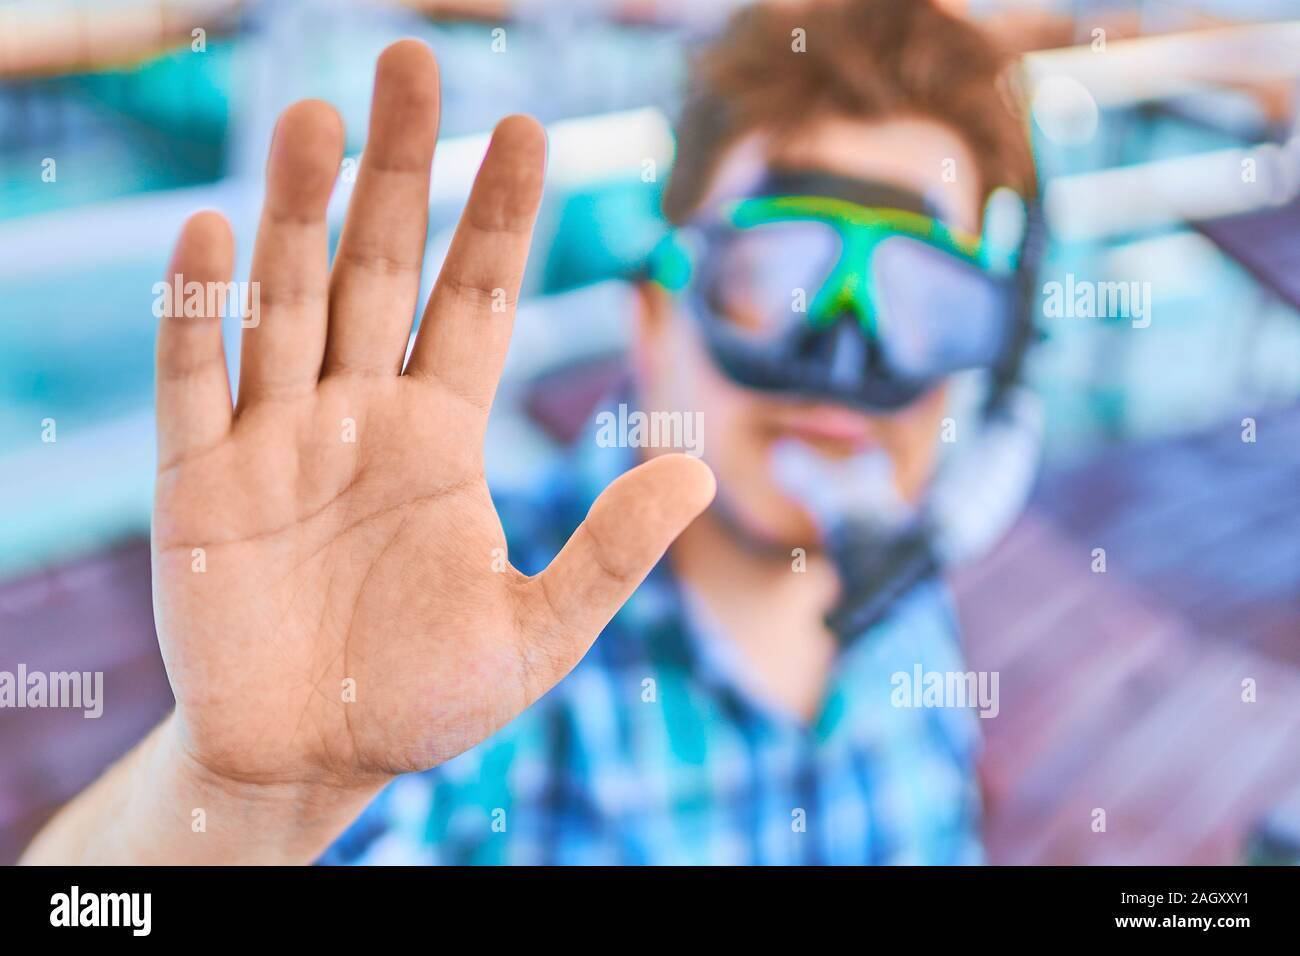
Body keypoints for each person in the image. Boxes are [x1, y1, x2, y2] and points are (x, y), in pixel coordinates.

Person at [23, 0, 1037, 866]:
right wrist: (238, 800)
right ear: (651, 317)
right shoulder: (446, 645)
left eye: (924, 302)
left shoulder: (905, 601)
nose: (842, 364)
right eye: (774, 281)